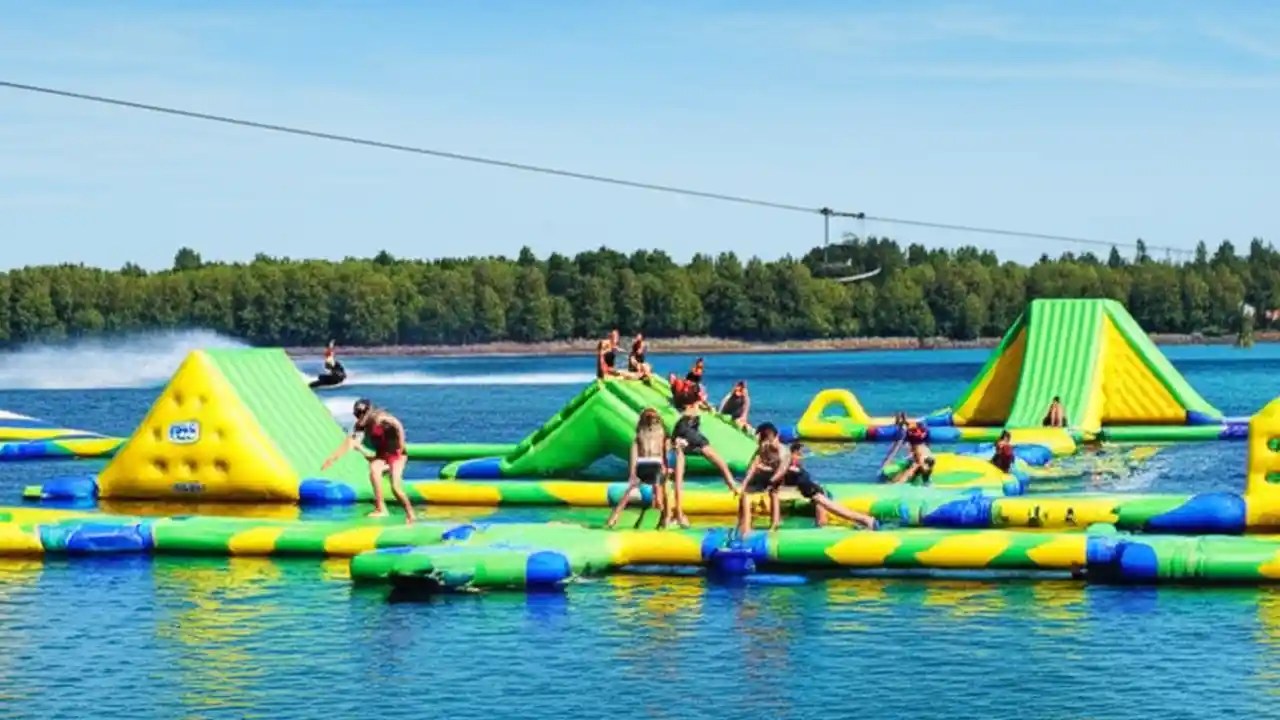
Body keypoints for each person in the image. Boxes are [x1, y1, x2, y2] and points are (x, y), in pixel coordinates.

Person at [321, 398, 416, 523]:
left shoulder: (380, 419)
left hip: (397, 455)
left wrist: (401, 444)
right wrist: (332, 459)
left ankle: (410, 514)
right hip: (381, 455)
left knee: (395, 487)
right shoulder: (361, 425)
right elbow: (349, 442)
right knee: (373, 470)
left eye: (362, 414)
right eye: (358, 416)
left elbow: (397, 424)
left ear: (369, 412)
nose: (360, 418)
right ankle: (381, 508)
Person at [669, 393, 740, 528]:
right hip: (688, 429)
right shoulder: (695, 404)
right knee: (716, 457)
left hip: (681, 430)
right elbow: (703, 405)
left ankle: (678, 513)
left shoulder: (692, 405)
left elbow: (703, 407)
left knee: (679, 475)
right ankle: (731, 484)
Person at [604, 407, 669, 529]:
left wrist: (633, 472)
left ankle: (614, 517)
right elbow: (662, 452)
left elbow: (634, 455)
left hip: (646, 463)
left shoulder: (643, 434)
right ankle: (664, 520)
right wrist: (665, 466)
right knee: (658, 495)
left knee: (630, 493)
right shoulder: (656, 433)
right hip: (652, 463)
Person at [887, 419, 935, 485]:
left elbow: (895, 449)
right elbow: (926, 446)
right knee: (924, 480)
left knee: (906, 475)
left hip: (922, 458)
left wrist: (888, 461)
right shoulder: (921, 433)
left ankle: (894, 485)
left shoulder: (908, 434)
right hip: (928, 457)